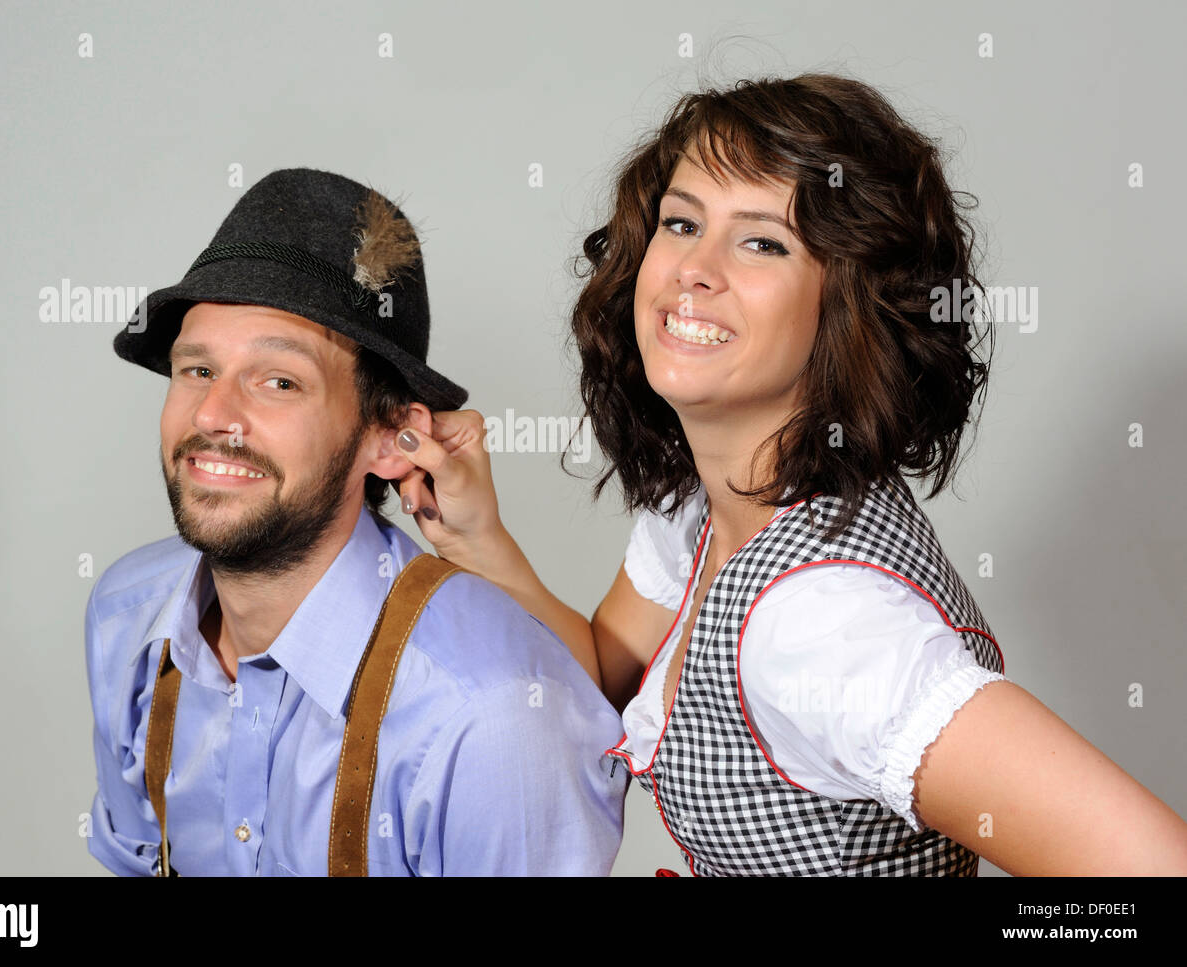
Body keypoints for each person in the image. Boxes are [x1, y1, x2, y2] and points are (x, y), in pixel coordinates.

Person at [391, 75, 1187, 875]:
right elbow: (600, 675)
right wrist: (480, 538)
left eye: (762, 241)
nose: (693, 271)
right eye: (681, 223)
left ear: (848, 301)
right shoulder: (711, 511)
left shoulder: (823, 625)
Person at [86, 168, 627, 876]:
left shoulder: (492, 717)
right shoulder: (128, 614)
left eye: (279, 381)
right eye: (196, 369)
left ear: (389, 436)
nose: (214, 414)